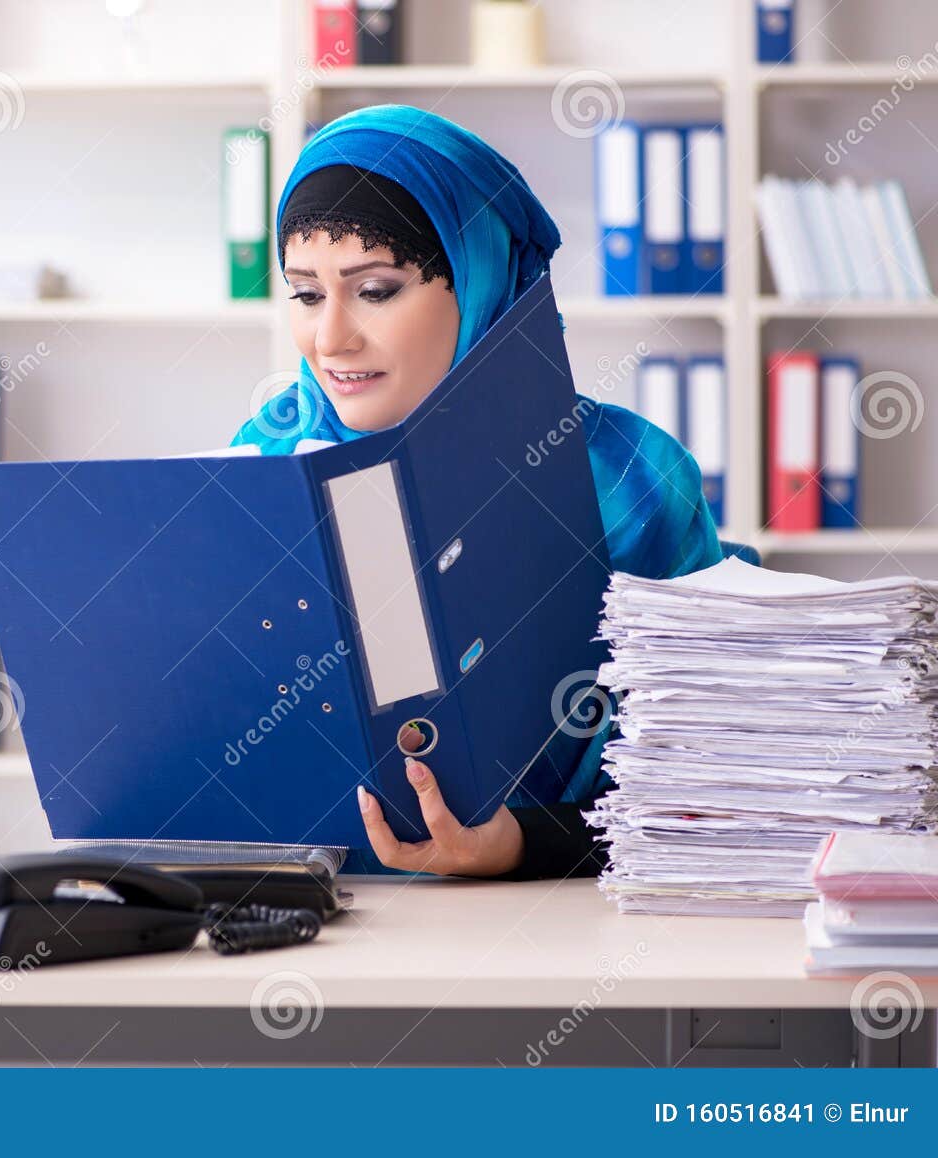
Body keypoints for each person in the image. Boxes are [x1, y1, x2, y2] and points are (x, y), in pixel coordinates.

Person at [230, 104, 723, 881]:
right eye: (306, 294)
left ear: (480, 273)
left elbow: (705, 788)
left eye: (377, 289)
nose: (331, 339)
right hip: (309, 914)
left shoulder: (633, 479)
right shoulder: (262, 461)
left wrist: (520, 845)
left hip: (569, 931)